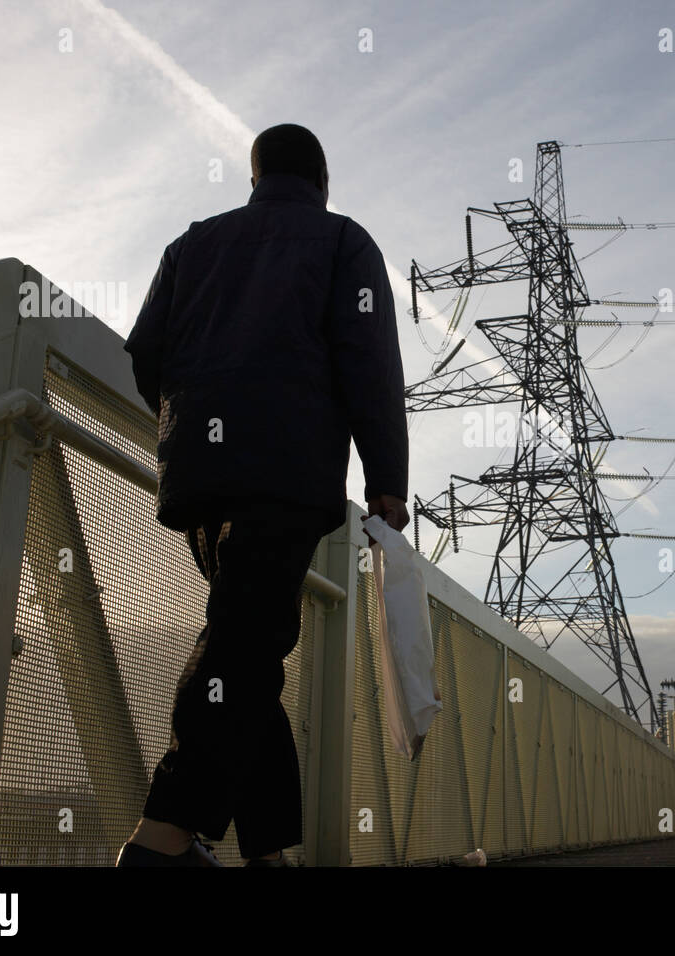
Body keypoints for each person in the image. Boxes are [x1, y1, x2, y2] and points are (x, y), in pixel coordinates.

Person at [116, 123, 410, 866]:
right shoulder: (342, 241)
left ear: (253, 179)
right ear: (323, 180)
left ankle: (268, 851)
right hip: (285, 470)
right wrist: (386, 485)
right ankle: (164, 838)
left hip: (200, 478)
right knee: (245, 643)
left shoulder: (192, 244)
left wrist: (186, 420)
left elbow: (146, 351)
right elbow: (368, 364)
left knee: (247, 644)